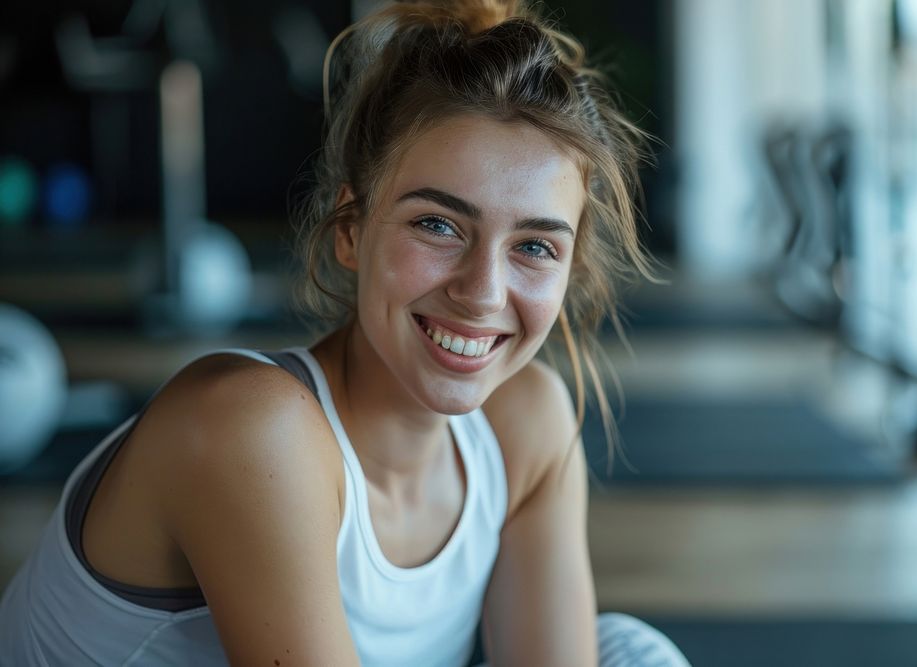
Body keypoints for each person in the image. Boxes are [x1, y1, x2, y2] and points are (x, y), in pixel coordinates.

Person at [0, 1, 692, 665]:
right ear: (352, 229)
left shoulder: (527, 425)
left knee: (628, 650)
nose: (482, 291)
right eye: (438, 224)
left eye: (535, 247)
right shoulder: (250, 426)